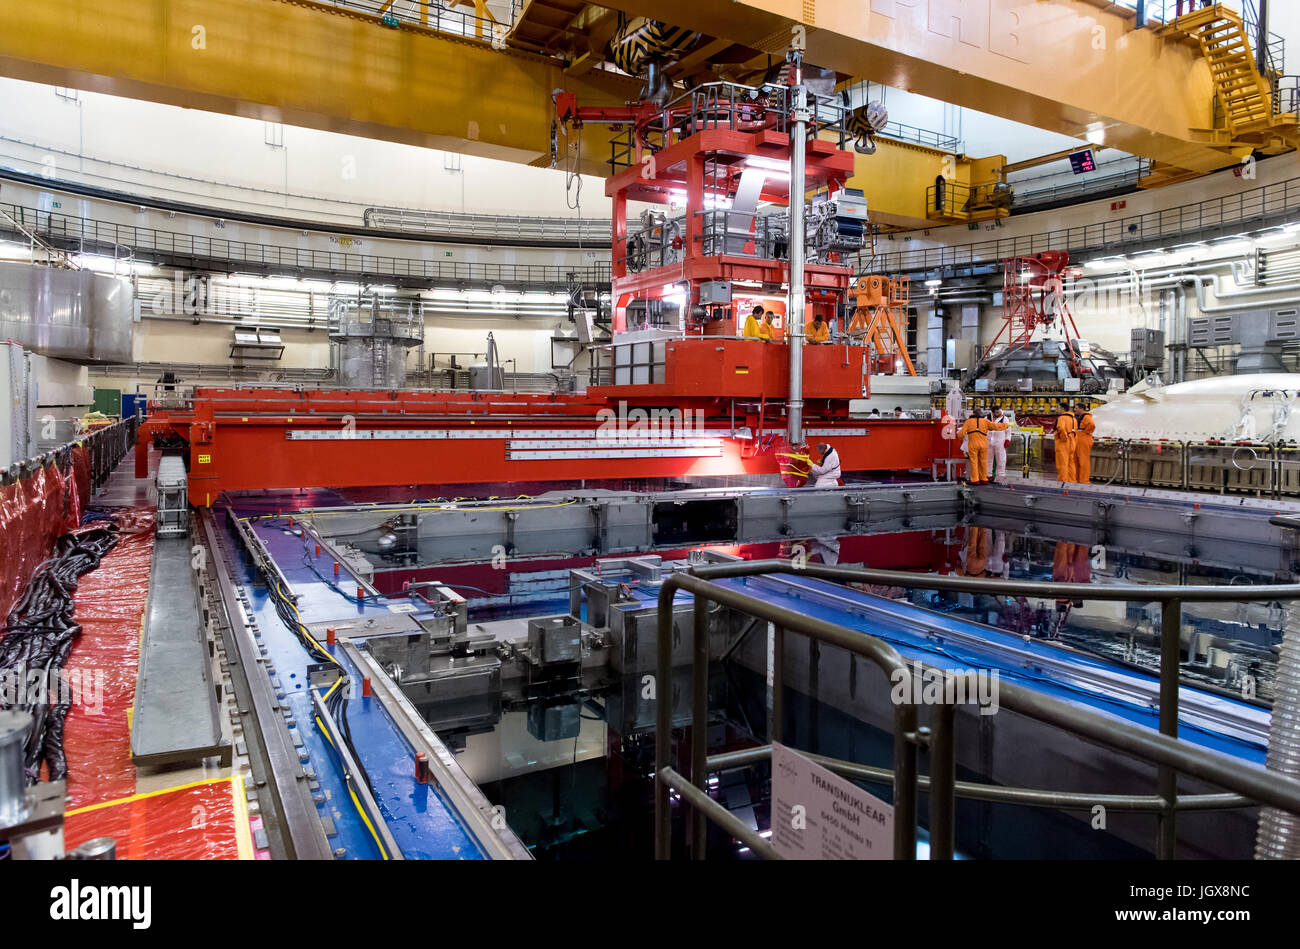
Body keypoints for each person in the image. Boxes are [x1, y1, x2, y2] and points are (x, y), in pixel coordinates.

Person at [956, 408, 1009, 485]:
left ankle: (975, 480)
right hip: (984, 444)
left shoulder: (968, 422)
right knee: (984, 462)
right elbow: (996, 426)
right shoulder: (985, 421)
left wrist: (961, 438)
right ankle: (984, 479)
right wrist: (1006, 425)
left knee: (974, 462)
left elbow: (961, 434)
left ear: (973, 414)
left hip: (973, 444)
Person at [986, 406, 1015, 482]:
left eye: (999, 412)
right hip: (988, 441)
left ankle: (1001, 476)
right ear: (993, 412)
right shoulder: (987, 418)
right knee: (988, 459)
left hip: (1000, 441)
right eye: (997, 412)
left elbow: (1008, 430)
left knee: (1001, 459)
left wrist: (1007, 440)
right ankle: (988, 475)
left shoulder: (1005, 419)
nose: (999, 413)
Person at [1054, 401, 1078, 483]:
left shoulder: (1062, 418)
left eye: (1058, 408)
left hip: (1064, 443)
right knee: (1071, 463)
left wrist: (1063, 438)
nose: (1057, 410)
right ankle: (1072, 481)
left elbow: (1060, 428)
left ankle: (1062, 481)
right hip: (1072, 442)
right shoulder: (1074, 418)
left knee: (1062, 463)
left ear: (1063, 408)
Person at [1073, 401, 1096, 484]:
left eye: (1076, 408)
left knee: (1083, 461)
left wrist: (1085, 432)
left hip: (1084, 440)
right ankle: (1078, 479)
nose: (1075, 410)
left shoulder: (1086, 417)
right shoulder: (1081, 417)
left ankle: (1084, 480)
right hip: (1079, 439)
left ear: (1081, 409)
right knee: (1077, 461)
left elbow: (1092, 425)